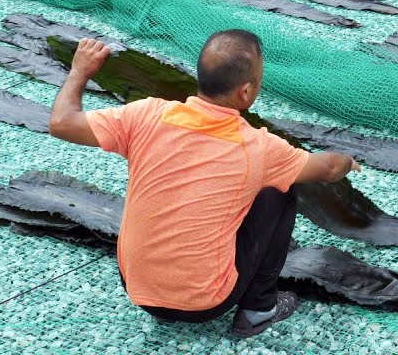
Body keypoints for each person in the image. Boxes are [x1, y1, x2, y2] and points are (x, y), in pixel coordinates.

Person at [49, 31, 360, 338]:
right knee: (279, 191)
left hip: (138, 290)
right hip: (206, 303)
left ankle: (173, 291)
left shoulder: (144, 115)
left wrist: (80, 70)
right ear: (246, 92)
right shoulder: (259, 148)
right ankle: (259, 309)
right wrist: (349, 160)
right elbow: (329, 167)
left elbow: (62, 123)